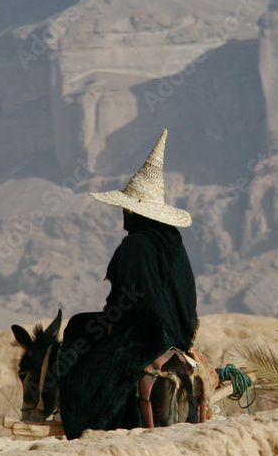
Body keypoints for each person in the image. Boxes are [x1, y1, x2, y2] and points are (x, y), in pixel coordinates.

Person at [57, 129, 198, 439]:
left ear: (133, 211)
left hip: (146, 337)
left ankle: (78, 419)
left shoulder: (134, 246)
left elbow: (126, 304)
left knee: (80, 331)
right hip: (180, 336)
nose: (123, 215)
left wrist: (106, 324)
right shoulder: (173, 243)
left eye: (126, 209)